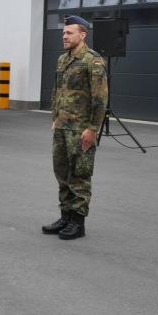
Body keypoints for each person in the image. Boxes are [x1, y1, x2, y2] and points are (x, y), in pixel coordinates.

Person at [42, 15, 108, 240]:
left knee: (79, 175)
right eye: (63, 33)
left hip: (81, 129)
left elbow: (100, 99)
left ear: (83, 35)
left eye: (69, 33)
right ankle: (65, 216)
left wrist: (92, 128)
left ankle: (78, 223)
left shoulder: (93, 61)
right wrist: (55, 117)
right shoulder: (62, 60)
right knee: (61, 173)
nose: (64, 36)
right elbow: (57, 91)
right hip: (61, 127)